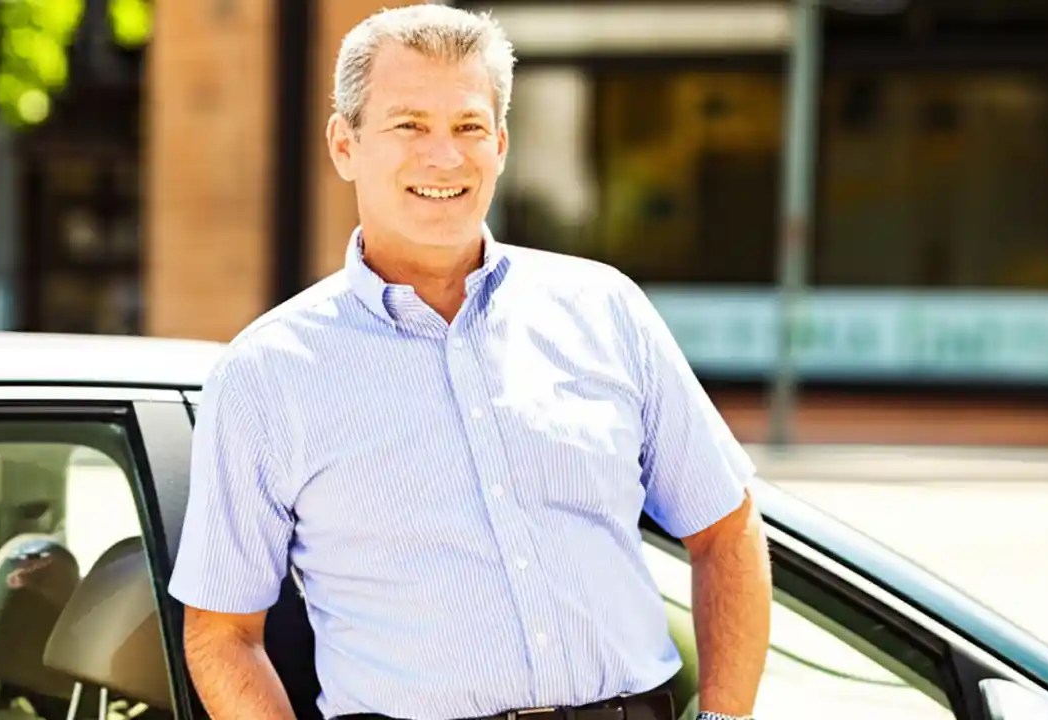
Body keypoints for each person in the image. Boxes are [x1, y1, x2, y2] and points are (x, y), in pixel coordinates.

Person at [168, 6, 771, 720]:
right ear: (344, 144)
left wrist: (724, 716)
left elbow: (726, 529)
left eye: (468, 127)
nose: (444, 157)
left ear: (502, 143)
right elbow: (222, 635)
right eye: (409, 126)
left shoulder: (606, 310)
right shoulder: (266, 374)